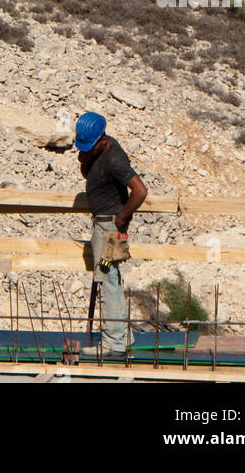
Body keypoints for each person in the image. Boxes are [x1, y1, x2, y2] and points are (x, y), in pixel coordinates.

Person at [74, 111, 148, 355]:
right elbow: (90, 174)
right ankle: (122, 337)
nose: (87, 150)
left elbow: (140, 191)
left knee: (107, 281)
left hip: (109, 228)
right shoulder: (101, 149)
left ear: (102, 139)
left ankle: (113, 343)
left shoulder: (115, 160)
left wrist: (122, 217)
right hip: (106, 226)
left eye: (90, 146)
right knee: (112, 279)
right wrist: (85, 157)